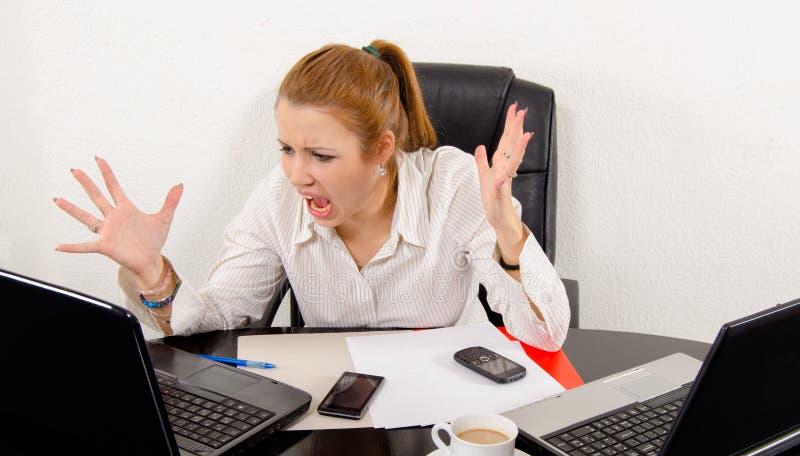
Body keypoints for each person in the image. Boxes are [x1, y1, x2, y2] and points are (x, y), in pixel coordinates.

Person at [53, 40, 570, 351]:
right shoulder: (277, 198)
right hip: (336, 416)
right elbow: (216, 322)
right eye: (287, 149)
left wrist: (508, 232)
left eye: (321, 156)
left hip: (450, 412)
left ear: (381, 149)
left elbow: (545, 336)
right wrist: (154, 273)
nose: (297, 176)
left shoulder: (455, 184)